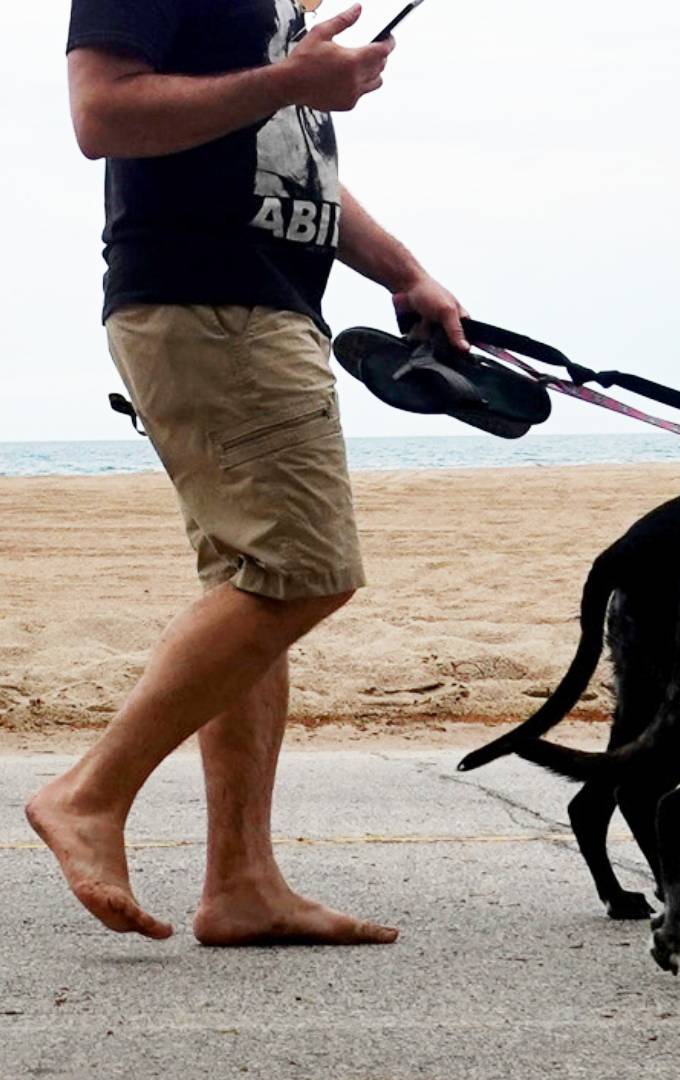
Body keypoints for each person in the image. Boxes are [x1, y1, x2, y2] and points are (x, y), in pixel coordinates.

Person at [26, 0, 470, 945]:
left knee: (248, 583)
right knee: (302, 573)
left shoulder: (277, 10)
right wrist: (290, 81)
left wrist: (402, 270)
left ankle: (242, 882)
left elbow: (285, 165)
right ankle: (89, 796)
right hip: (211, 305)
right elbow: (102, 116)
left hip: (254, 306)